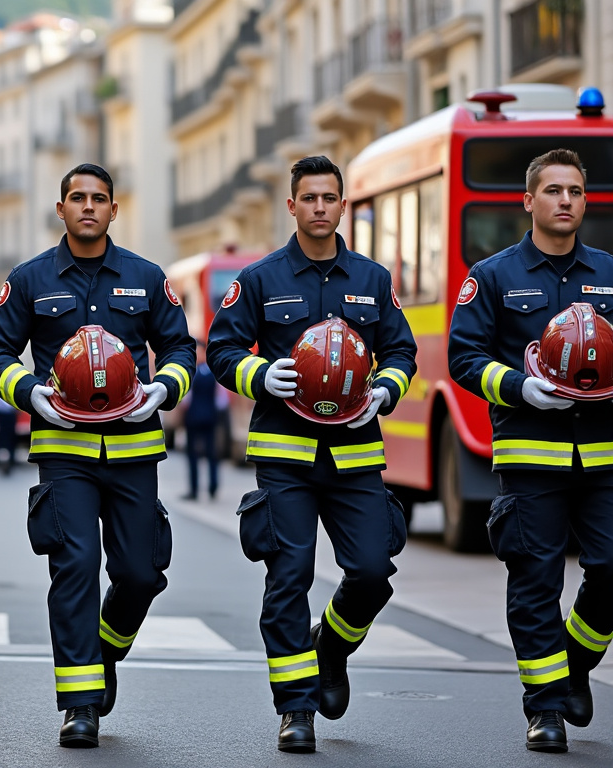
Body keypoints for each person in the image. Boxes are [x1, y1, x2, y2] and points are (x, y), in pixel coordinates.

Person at [0, 163, 195, 748]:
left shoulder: (147, 278)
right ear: (62, 210)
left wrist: (164, 388)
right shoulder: (29, 280)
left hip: (134, 447)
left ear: (113, 211)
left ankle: (103, 653)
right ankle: (80, 705)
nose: (88, 207)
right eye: (77, 198)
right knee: (74, 568)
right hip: (64, 450)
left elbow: (180, 345)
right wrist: (30, 395)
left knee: (139, 574)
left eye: (99, 199)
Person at [207, 156, 416, 753]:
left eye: (330, 197)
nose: (320, 207)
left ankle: (331, 650)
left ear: (341, 205)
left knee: (373, 573)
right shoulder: (259, 279)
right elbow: (221, 348)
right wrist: (257, 374)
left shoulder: (373, 279)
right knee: (289, 577)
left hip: (354, 456)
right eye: (309, 198)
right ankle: (295, 709)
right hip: (286, 456)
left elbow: (401, 352)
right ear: (292, 206)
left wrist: (386, 388)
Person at [448, 148, 613, 754]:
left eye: (574, 190)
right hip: (530, 453)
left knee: (611, 571)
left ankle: (574, 664)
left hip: (604, 455)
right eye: (553, 190)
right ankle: (544, 708)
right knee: (536, 579)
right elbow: (463, 357)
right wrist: (521, 388)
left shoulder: (610, 273)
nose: (565, 200)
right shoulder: (491, 276)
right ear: (529, 201)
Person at [181, 339, 224, 500]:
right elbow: (222, 401)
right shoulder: (213, 373)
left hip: (193, 417)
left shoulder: (192, 373)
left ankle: (196, 490)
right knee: (210, 453)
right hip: (210, 417)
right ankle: (211, 488)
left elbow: (186, 399)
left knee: (195, 454)